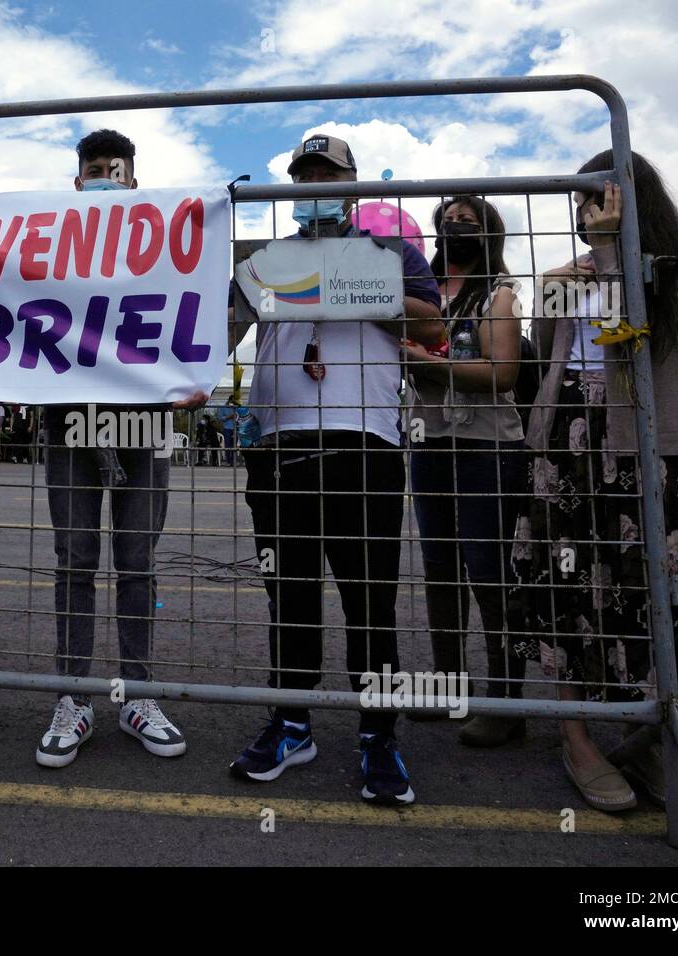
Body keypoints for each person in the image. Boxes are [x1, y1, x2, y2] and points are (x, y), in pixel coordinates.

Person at [228, 133, 443, 804]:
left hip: (365, 446)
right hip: (280, 450)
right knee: (288, 601)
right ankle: (292, 723)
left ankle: (379, 736)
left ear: (351, 186)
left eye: (327, 173)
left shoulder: (391, 252)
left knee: (370, 605)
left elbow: (433, 325)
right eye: (303, 175)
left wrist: (356, 286)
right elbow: (219, 325)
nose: (313, 184)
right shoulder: (268, 258)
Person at [511, 152, 678, 813]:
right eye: (583, 203)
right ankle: (576, 737)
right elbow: (548, 353)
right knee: (566, 591)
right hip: (565, 442)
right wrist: (551, 292)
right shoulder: (577, 270)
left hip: (646, 442)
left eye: (600, 199)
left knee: (646, 595)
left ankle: (648, 731)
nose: (588, 212)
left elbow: (637, 338)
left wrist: (609, 252)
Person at [35, 129, 202, 768]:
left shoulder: (162, 239)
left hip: (145, 421)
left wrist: (195, 371)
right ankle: (73, 698)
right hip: (71, 420)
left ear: (134, 180)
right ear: (78, 182)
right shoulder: (47, 239)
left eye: (115, 169)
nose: (106, 176)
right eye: (94, 169)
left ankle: (138, 694)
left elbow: (198, 299)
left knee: (138, 560)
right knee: (74, 558)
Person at [400, 195, 527, 747]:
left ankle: (504, 701)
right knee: (440, 567)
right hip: (429, 444)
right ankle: (448, 682)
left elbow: (501, 372)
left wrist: (426, 363)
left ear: (487, 234)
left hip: (486, 448)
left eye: (468, 222)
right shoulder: (422, 293)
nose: (455, 227)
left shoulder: (498, 294)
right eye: (447, 220)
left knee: (489, 571)